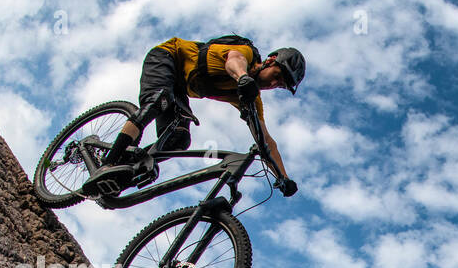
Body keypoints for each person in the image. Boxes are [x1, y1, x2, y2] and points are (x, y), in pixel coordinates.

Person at [83, 36, 303, 196]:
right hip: (167, 56)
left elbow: (266, 141)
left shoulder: (250, 97)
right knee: (159, 100)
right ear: (270, 60)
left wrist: (282, 177)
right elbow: (233, 62)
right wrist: (243, 77)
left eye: (280, 86)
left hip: (178, 88)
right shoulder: (244, 55)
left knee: (179, 140)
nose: (273, 84)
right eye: (277, 76)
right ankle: (108, 163)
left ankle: (122, 174)